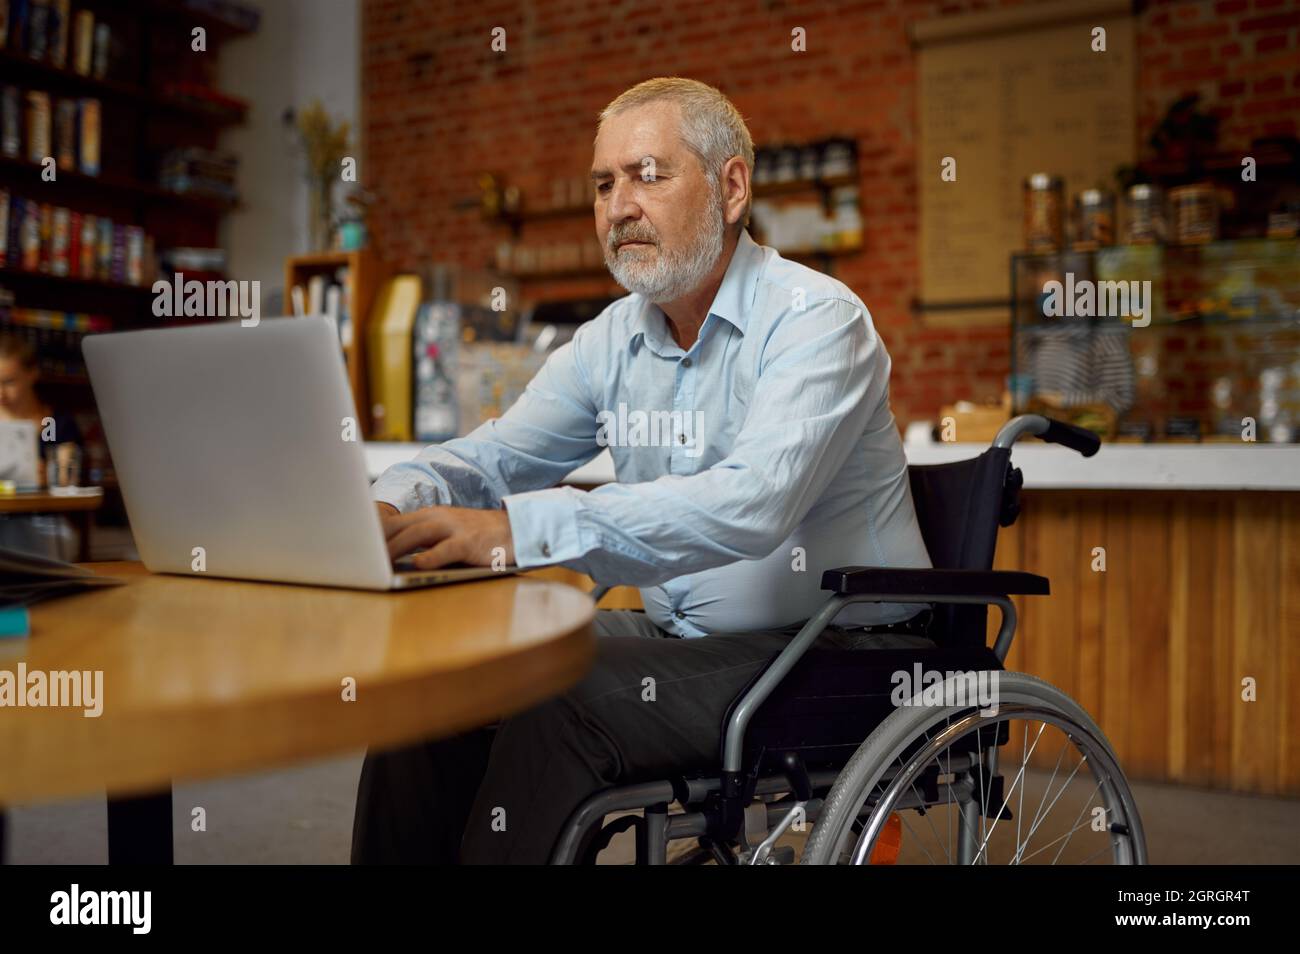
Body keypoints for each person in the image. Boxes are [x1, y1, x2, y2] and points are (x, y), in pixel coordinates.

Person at [351, 77, 933, 864]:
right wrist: (386, 507)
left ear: (731, 189)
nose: (619, 205)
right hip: (686, 641)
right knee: (449, 675)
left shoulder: (816, 320)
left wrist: (521, 531)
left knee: (558, 703)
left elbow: (752, 505)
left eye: (648, 174)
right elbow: (493, 458)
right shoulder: (609, 340)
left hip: (839, 655)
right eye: (603, 183)